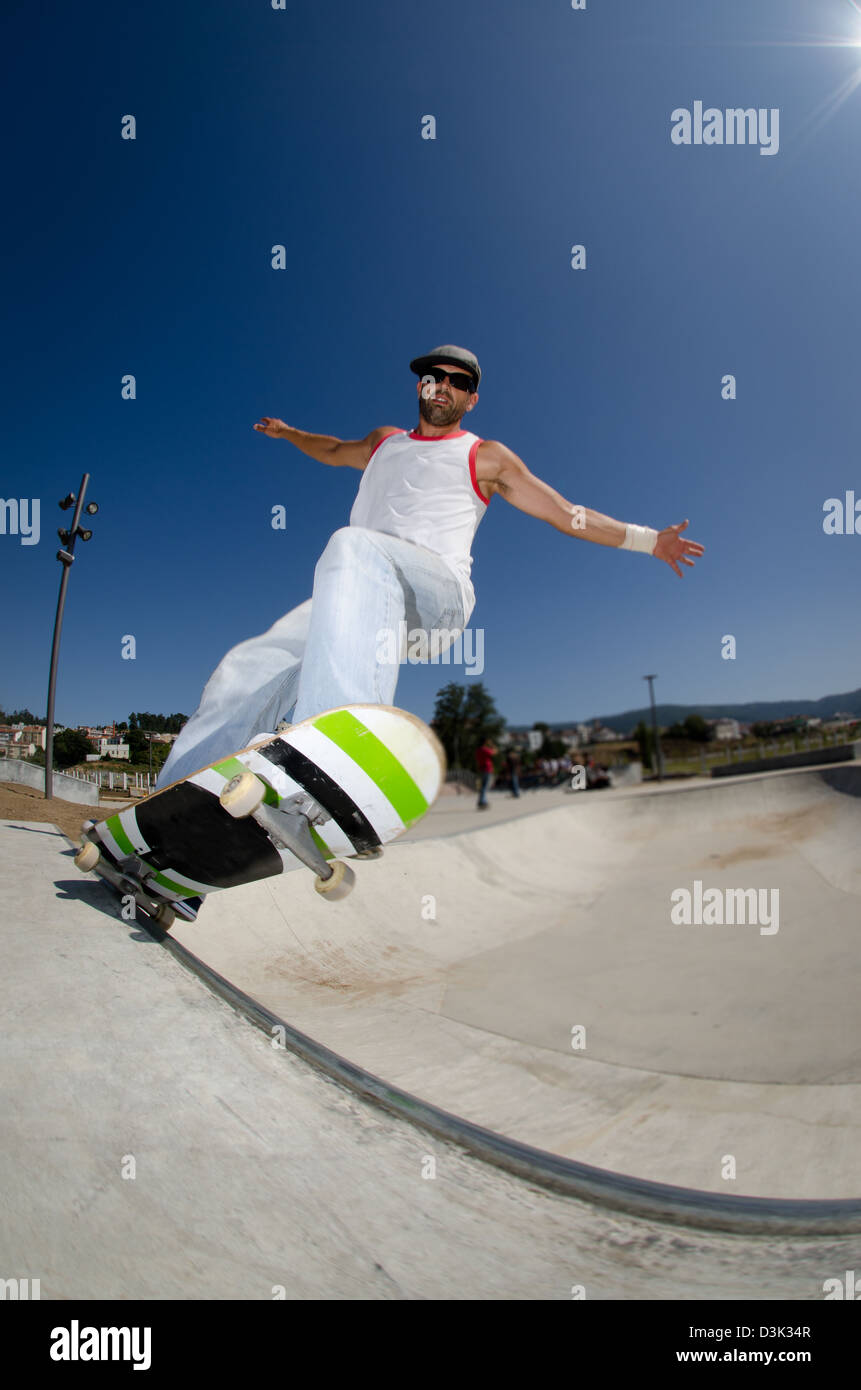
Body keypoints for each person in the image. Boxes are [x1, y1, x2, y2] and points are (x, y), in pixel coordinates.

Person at [157, 343, 705, 789]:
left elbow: (567, 515)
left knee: (352, 546)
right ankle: (174, 800)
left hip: (436, 601)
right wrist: (290, 433)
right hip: (358, 602)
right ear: (419, 386)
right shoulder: (383, 443)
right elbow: (331, 450)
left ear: (470, 399)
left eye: (456, 381)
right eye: (432, 376)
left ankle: (338, 757)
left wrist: (648, 540)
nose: (442, 385)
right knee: (249, 666)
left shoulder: (486, 455)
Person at [475, 740, 497, 810]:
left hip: (481, 769)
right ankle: (482, 801)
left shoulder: (478, 750)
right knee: (485, 786)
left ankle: (481, 801)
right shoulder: (485, 749)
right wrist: (492, 745)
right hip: (487, 769)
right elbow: (494, 752)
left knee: (482, 786)